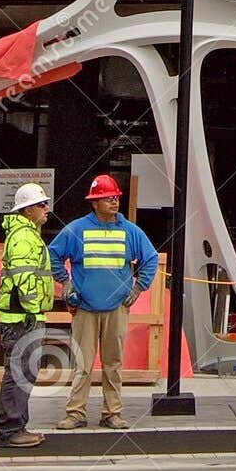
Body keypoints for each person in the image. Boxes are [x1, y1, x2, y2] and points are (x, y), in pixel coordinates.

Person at [48, 174, 158, 430]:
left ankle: (112, 412)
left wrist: (140, 286)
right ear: (94, 203)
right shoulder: (77, 229)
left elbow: (150, 258)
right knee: (83, 364)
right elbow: (52, 254)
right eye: (107, 198)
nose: (114, 202)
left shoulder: (130, 231)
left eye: (115, 197)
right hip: (86, 307)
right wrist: (65, 282)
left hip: (116, 307)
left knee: (113, 363)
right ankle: (76, 412)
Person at [0, 183, 54, 447]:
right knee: (19, 373)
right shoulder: (24, 237)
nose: (46, 209)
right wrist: (32, 310)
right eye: (42, 205)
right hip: (22, 318)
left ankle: (17, 426)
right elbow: (23, 277)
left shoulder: (24, 234)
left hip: (22, 316)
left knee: (22, 372)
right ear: (28, 209)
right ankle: (11, 429)